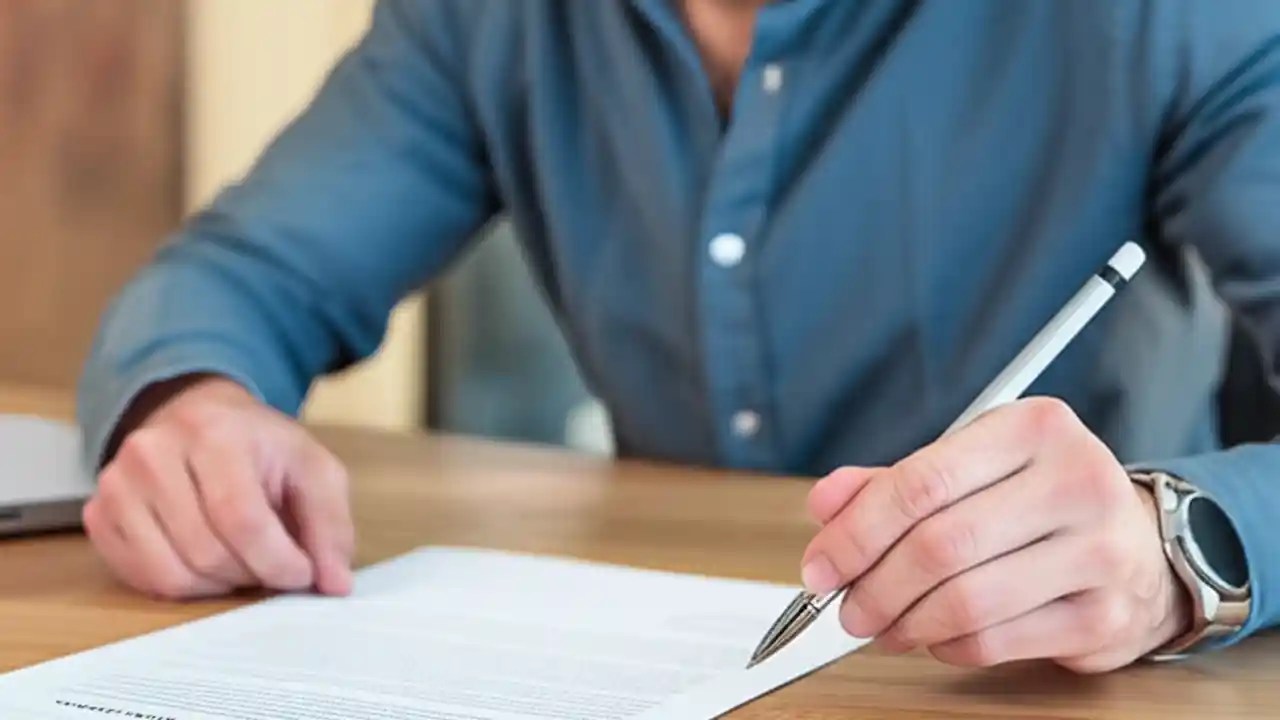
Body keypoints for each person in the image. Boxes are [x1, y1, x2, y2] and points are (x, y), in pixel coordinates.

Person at [79, 0, 1278, 674]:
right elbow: (243, 276)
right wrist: (190, 405)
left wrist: (1177, 546)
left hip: (1061, 690)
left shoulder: (1174, 17)